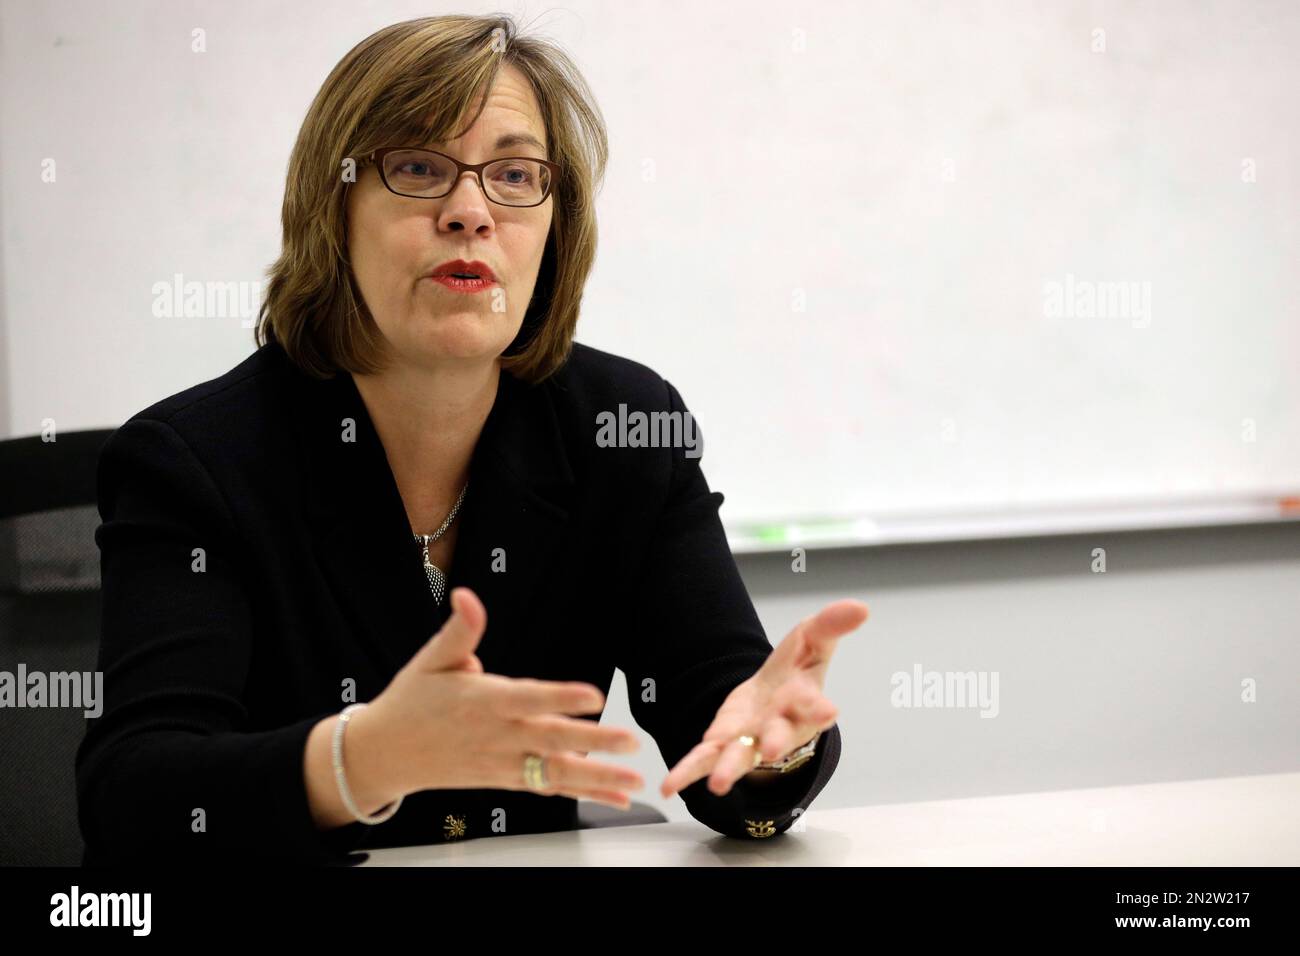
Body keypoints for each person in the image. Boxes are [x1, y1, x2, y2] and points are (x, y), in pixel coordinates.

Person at [76, 13, 868, 865]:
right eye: (417, 168)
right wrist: (362, 759)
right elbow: (135, 797)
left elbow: (724, 736)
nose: (470, 212)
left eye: (515, 175)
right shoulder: (196, 461)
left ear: (555, 228)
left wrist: (770, 749)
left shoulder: (624, 429)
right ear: (331, 208)